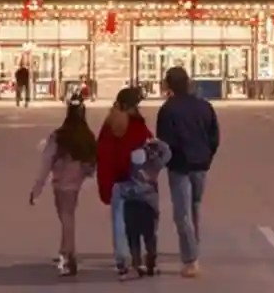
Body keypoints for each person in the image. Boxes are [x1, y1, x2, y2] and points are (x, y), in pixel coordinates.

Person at [155, 66, 219, 278]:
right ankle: (193, 248)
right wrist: (207, 156)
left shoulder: (168, 110)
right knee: (194, 207)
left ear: (169, 84)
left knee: (182, 214)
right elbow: (214, 135)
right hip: (200, 164)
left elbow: (164, 143)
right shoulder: (204, 106)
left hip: (179, 167)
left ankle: (191, 258)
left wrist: (162, 163)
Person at [29, 94, 97, 277]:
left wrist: (38, 187)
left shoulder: (59, 136)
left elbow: (46, 161)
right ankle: (66, 249)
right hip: (76, 183)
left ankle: (68, 255)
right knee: (68, 216)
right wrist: (85, 173)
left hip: (61, 183)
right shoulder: (87, 136)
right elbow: (93, 161)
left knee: (66, 217)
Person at [96, 86, 152, 280]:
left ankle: (122, 259)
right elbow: (150, 148)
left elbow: (103, 156)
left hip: (117, 182)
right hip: (136, 180)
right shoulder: (138, 125)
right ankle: (140, 259)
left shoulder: (109, 126)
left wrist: (105, 185)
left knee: (119, 221)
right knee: (139, 221)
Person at [117, 137, 171, 276]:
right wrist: (154, 142)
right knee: (150, 235)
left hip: (131, 201)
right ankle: (151, 262)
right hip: (149, 202)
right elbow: (167, 152)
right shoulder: (154, 163)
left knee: (132, 235)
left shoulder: (125, 162)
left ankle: (137, 263)